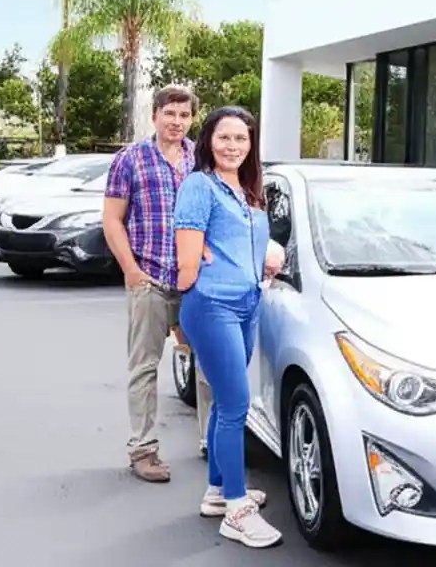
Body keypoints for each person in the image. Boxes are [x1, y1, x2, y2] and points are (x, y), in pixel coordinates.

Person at [174, 106, 282, 549]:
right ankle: (237, 510)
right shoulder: (199, 185)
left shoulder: (249, 189)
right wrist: (187, 296)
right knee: (237, 404)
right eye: (224, 138)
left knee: (224, 402)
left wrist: (266, 263)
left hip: (246, 304)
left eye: (241, 139)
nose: (233, 146)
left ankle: (218, 493)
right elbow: (185, 263)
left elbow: (246, 244)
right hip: (212, 305)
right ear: (208, 141)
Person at [104, 86, 215, 482]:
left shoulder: (200, 161)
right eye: (170, 113)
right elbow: (113, 220)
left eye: (184, 115)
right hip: (149, 279)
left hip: (193, 284)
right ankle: (143, 450)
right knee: (144, 367)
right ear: (155, 115)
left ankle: (212, 442)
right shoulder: (130, 160)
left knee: (207, 364)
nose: (177, 122)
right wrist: (132, 271)